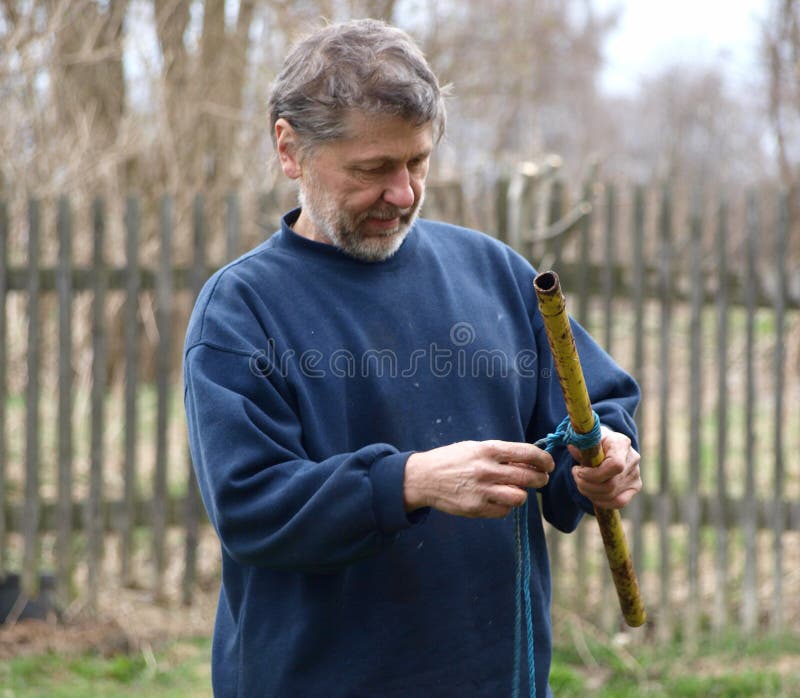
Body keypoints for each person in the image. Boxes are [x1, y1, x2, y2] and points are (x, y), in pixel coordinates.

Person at [184, 18, 642, 698]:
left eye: (417, 162)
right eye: (371, 170)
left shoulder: (492, 272)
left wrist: (606, 456)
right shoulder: (242, 310)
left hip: (499, 678)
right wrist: (411, 482)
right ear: (289, 148)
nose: (402, 194)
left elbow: (594, 410)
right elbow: (252, 505)